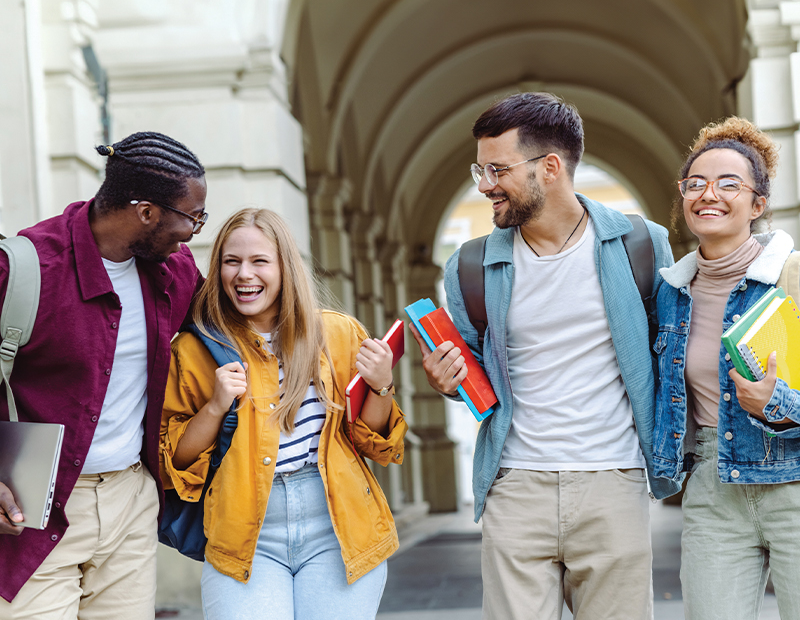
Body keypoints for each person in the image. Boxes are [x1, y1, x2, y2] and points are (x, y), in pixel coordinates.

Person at [413, 92, 679, 620]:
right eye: (479, 169)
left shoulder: (641, 245)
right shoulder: (470, 265)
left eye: (497, 169)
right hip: (515, 483)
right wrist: (450, 378)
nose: (485, 184)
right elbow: (471, 363)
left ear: (550, 167)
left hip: (614, 479)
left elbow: (669, 353)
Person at [161, 208, 407, 620]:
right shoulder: (195, 350)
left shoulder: (339, 334)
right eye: (231, 261)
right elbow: (178, 464)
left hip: (337, 529)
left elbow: (377, 443)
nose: (244, 274)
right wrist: (216, 406)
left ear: (285, 267)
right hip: (245, 536)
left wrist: (381, 384)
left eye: (259, 261)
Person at [0, 131, 207, 618]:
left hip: (131, 502)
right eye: (192, 217)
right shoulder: (25, 269)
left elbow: (241, 328)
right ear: (146, 212)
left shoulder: (174, 273)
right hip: (32, 515)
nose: (195, 231)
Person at [652, 117, 800, 619]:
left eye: (728, 184)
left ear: (758, 204)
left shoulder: (792, 277)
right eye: (696, 183)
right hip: (714, 489)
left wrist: (774, 404)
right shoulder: (670, 294)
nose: (708, 194)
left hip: (794, 480)